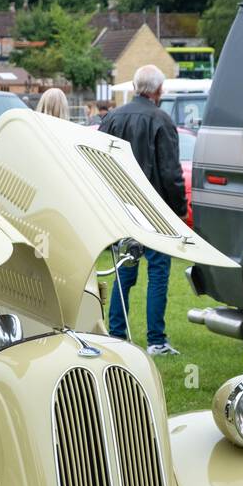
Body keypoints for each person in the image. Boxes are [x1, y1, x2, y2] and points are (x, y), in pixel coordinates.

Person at [98, 64, 187, 356]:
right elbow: (171, 172)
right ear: (159, 91)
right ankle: (156, 340)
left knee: (125, 270)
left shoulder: (112, 118)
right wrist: (179, 210)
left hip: (122, 208)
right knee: (158, 273)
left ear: (136, 87)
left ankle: (116, 334)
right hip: (154, 209)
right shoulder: (161, 120)